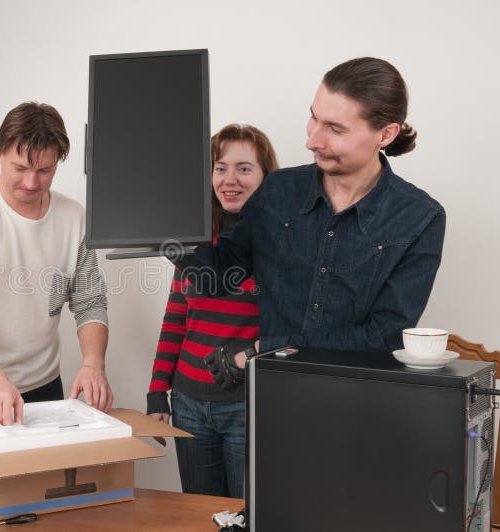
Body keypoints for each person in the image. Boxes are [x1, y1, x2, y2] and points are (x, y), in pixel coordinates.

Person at [190, 58, 445, 380]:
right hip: (274, 393)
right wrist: (169, 222)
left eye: (335, 129)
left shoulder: (420, 217)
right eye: (314, 118)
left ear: (386, 134)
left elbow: (384, 336)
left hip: (357, 398)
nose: (312, 140)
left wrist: (265, 349)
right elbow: (216, 276)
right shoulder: (278, 189)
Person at [0, 101, 112, 425]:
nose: (31, 182)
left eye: (44, 171)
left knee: (48, 478)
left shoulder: (74, 217)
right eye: (19, 168)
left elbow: (89, 302)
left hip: (43, 387)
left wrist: (93, 363)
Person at [147, 125, 278, 498]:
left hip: (248, 407)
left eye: (244, 168)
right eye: (220, 168)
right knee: (200, 516)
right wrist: (158, 393)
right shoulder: (196, 240)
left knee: (244, 516)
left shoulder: (280, 244)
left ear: (266, 175)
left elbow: (293, 332)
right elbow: (175, 320)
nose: (229, 180)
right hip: (187, 405)